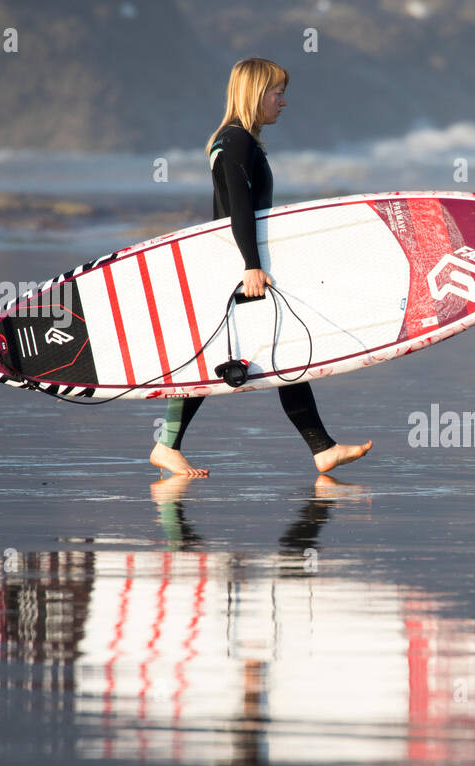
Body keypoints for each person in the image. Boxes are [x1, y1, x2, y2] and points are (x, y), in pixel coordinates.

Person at [150, 58, 372, 478]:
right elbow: (238, 209)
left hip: (232, 260)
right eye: (277, 93)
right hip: (237, 264)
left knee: (260, 349)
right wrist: (251, 266)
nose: (283, 102)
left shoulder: (237, 140)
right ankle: (168, 446)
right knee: (255, 350)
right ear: (255, 94)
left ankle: (320, 448)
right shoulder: (236, 141)